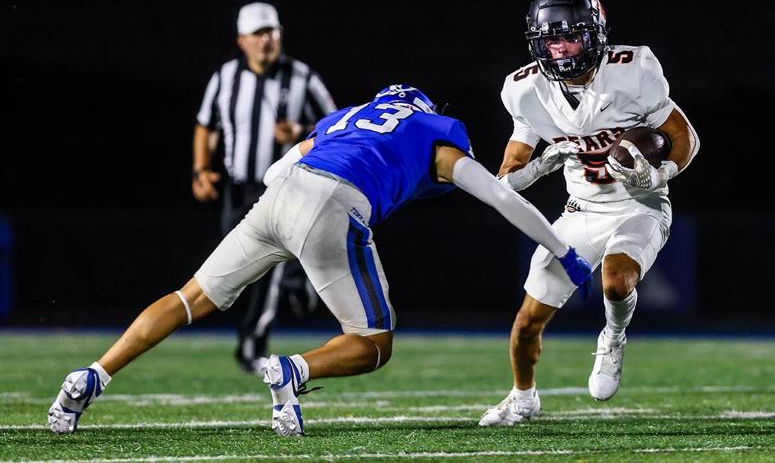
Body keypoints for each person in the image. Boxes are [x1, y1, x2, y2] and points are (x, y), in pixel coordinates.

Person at [47, 84, 593, 436]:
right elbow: (497, 194)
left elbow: (273, 173)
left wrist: (289, 230)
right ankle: (292, 371)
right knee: (374, 343)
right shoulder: (434, 134)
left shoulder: (346, 119)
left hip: (281, 196)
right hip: (334, 204)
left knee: (187, 298)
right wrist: (562, 249)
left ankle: (92, 375)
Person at [478, 0, 700, 427]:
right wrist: (538, 167)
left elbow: (685, 137)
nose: (560, 49)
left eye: (570, 37)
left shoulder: (633, 69)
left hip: (639, 203)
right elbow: (505, 180)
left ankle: (613, 337)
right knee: (526, 324)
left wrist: (659, 175)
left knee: (616, 282)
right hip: (580, 210)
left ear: (594, 34)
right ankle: (523, 398)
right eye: (550, 40)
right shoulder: (524, 89)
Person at [192, 2, 337, 374]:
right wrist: (200, 170)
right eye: (257, 34)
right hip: (238, 188)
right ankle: (297, 278)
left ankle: (253, 342)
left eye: (270, 32)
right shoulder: (225, 77)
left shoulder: (303, 77)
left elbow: (337, 127)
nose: (266, 40)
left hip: (285, 189)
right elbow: (206, 125)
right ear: (242, 40)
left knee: (266, 263)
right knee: (235, 268)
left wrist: (300, 131)